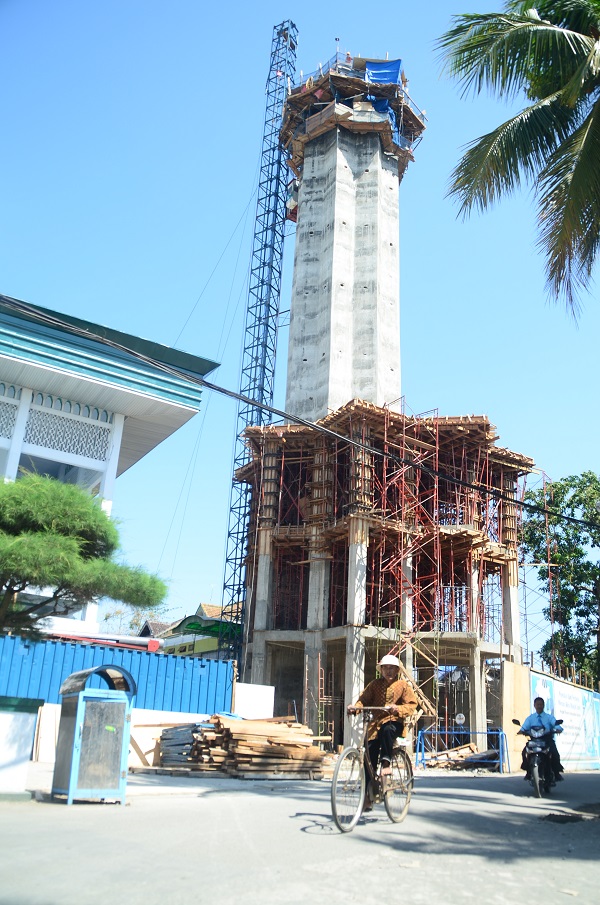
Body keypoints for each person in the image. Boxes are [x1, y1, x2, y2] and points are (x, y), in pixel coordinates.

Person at [347, 653, 418, 781]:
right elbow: (363, 700)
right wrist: (355, 708)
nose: (388, 671)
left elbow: (412, 705)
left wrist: (398, 709)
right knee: (369, 752)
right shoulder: (374, 684)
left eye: (392, 668)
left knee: (387, 730)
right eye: (385, 668)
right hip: (375, 724)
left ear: (397, 670)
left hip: (394, 722)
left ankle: (386, 763)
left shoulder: (403, 685)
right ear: (382, 670)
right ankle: (369, 792)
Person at [518, 696, 564, 782]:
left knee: (555, 754)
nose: (539, 706)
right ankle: (528, 771)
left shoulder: (549, 717)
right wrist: (521, 731)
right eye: (537, 704)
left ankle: (557, 773)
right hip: (534, 740)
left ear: (543, 705)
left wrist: (558, 729)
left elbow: (556, 725)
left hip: (547, 740)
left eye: (541, 704)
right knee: (524, 752)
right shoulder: (530, 718)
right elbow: (524, 727)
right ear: (534, 705)